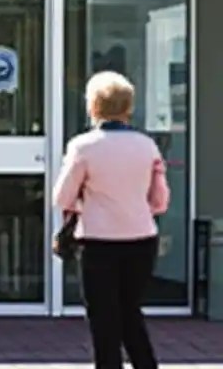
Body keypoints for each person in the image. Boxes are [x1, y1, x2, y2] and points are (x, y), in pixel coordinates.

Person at [53, 71, 170, 369]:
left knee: (103, 318)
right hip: (141, 239)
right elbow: (160, 201)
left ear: (93, 106)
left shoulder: (83, 147)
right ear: (128, 107)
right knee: (130, 311)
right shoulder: (147, 146)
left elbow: (62, 198)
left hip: (97, 242)